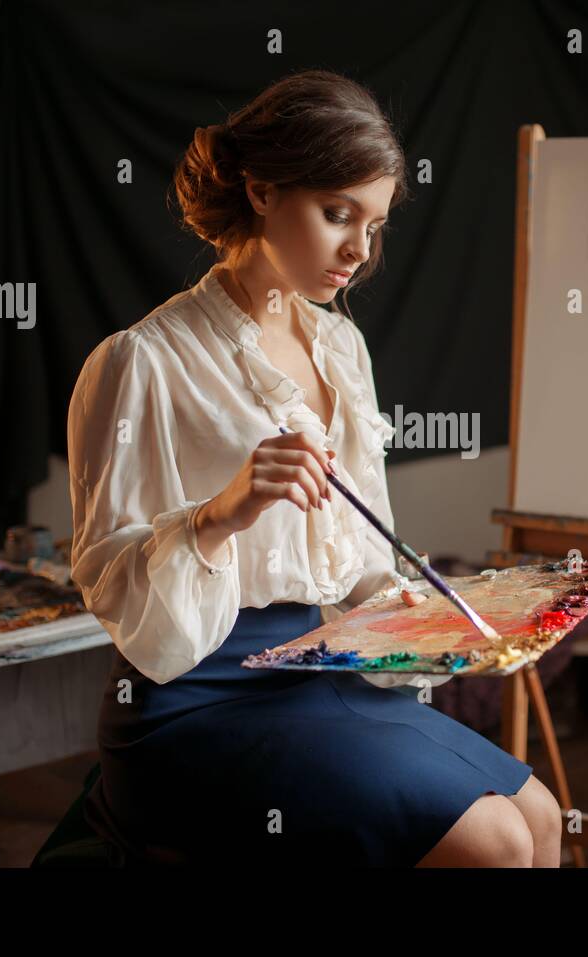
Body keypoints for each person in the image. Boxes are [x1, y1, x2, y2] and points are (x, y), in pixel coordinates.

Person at [66, 69, 561, 867]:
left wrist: (429, 620)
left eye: (375, 224)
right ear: (262, 190)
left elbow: (364, 561)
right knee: (496, 842)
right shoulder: (141, 363)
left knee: (539, 814)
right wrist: (217, 515)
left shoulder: (340, 347)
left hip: (319, 673)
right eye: (339, 214)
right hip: (192, 702)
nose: (360, 252)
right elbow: (119, 597)